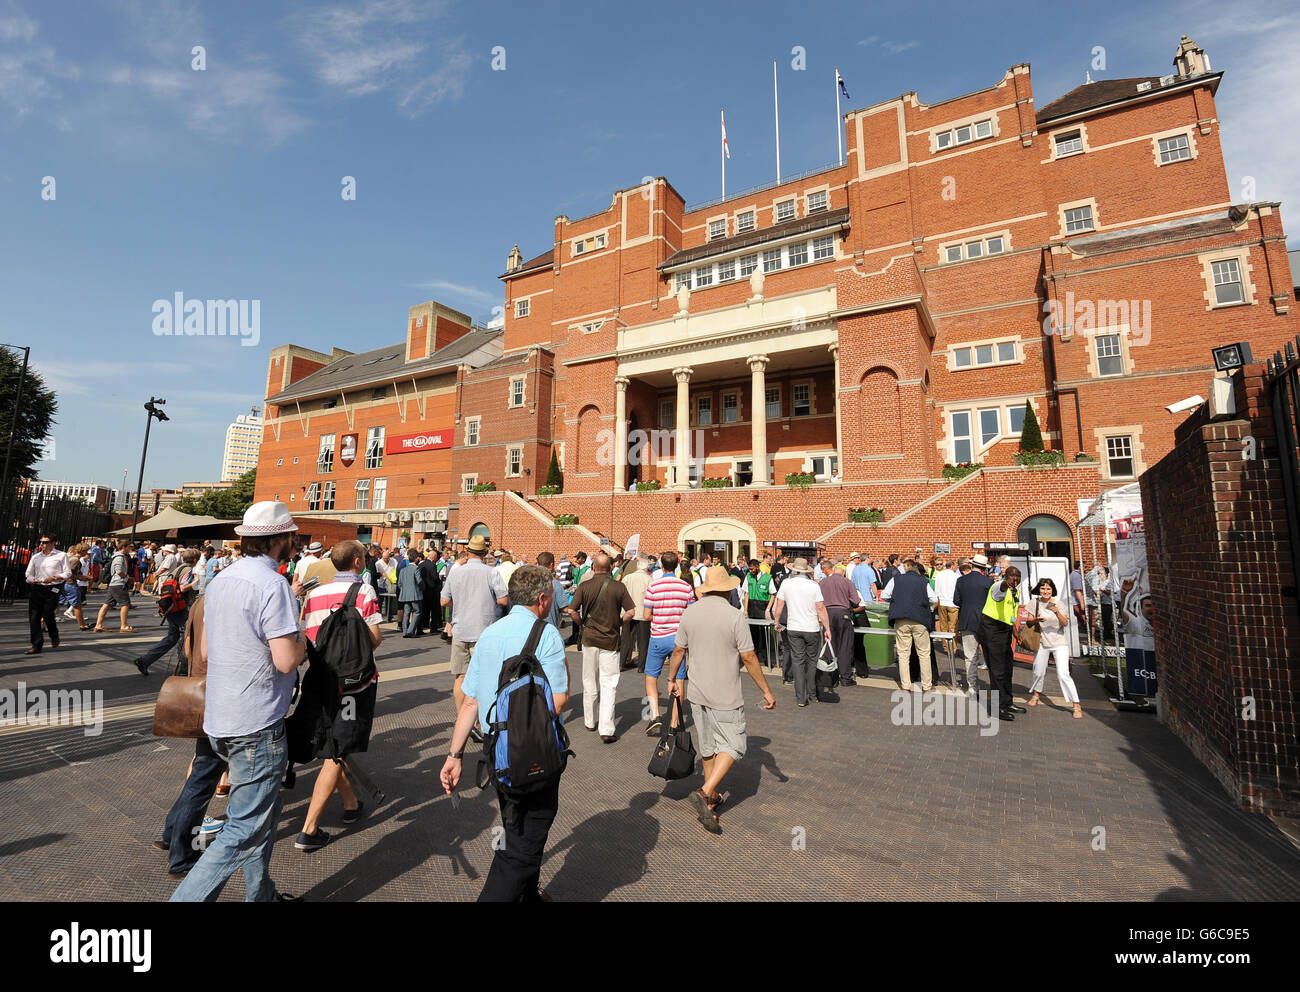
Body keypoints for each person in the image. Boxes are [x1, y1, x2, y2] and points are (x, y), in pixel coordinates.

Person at [171, 501, 307, 902]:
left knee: (263, 815)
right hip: (256, 721)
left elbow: (209, 651)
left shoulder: (221, 581)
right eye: (291, 537)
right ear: (281, 539)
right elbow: (285, 660)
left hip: (220, 716)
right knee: (242, 831)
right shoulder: (274, 585)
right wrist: (300, 639)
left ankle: (261, 894)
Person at [440, 565, 570, 902]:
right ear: (543, 598)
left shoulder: (490, 633)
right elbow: (558, 699)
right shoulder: (548, 634)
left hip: (496, 751)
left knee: (515, 825)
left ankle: (528, 895)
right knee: (524, 842)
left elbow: (470, 701)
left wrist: (454, 755)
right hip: (533, 752)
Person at [666, 565, 777, 834]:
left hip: (697, 689)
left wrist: (671, 679)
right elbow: (749, 656)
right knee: (735, 744)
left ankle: (711, 799)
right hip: (725, 692)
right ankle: (705, 792)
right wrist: (765, 689)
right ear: (728, 590)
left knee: (708, 746)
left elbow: (679, 649)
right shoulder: (734, 616)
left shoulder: (690, 612)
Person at [294, 540, 382, 851]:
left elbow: (307, 636)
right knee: (336, 753)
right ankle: (309, 829)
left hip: (319, 678)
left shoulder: (314, 594)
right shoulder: (364, 592)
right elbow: (374, 639)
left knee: (334, 742)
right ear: (358, 561)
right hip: (352, 683)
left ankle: (350, 803)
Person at [440, 534, 508, 742]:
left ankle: (463, 719)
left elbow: (444, 601)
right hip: (484, 630)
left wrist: (460, 605)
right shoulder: (491, 572)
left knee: (460, 677)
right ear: (485, 553)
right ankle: (478, 721)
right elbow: (503, 600)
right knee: (484, 677)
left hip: (461, 629)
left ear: (467, 551)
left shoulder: (455, 572)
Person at [565, 552, 636, 742]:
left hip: (589, 638)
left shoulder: (584, 586)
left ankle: (590, 721)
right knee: (609, 683)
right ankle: (606, 728)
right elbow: (631, 611)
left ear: (593, 567)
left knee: (589, 681)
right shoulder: (618, 587)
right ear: (611, 567)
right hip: (610, 639)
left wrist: (581, 624)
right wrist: (619, 623)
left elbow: (571, 610)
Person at [641, 551, 696, 734]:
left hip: (658, 636)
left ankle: (655, 714)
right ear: (677, 565)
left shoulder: (653, 587)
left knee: (651, 676)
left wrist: (661, 616)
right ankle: (674, 723)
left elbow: (647, 614)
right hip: (678, 640)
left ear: (661, 565)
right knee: (679, 679)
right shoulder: (686, 587)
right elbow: (691, 612)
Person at [771, 558, 832, 707]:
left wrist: (776, 621)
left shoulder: (786, 583)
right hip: (811, 627)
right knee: (812, 661)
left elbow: (779, 605)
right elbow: (821, 608)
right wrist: (827, 628)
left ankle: (800, 697)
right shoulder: (813, 585)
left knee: (797, 661)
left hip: (794, 627)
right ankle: (812, 694)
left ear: (795, 570)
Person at [133, 549, 199, 676]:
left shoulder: (178, 569)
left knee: (172, 638)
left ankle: (145, 660)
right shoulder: (188, 571)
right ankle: (183, 669)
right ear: (195, 559)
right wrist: (195, 582)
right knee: (186, 637)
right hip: (181, 607)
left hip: (171, 606)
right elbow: (183, 587)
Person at [1024, 578, 1082, 719]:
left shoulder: (1059, 604)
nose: (1045, 591)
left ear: (1052, 590)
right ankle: (1036, 695)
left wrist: (1056, 612)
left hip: (1059, 642)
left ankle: (1076, 704)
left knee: (1063, 674)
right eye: (1043, 588)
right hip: (1042, 641)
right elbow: (1029, 621)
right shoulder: (1034, 602)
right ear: (1039, 590)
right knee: (1038, 671)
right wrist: (1036, 620)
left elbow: (1065, 623)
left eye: (1048, 589)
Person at [882, 559, 941, 693]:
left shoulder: (896, 579)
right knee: (924, 653)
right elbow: (933, 599)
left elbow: (885, 595)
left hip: (901, 618)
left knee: (903, 654)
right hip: (919, 619)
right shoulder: (923, 581)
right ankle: (927, 685)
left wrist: (897, 600)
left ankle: (905, 685)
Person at [977, 565, 1024, 723]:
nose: (1015, 580)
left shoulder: (1014, 591)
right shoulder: (999, 586)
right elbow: (1001, 587)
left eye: (1018, 577)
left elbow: (1011, 615)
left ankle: (1007, 702)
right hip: (992, 630)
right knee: (997, 671)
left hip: (1005, 631)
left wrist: (1015, 633)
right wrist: (1006, 582)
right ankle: (998, 708)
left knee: (1007, 669)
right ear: (1006, 576)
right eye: (1012, 577)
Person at [819, 562, 865, 688]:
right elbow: (856, 601)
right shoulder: (847, 582)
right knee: (845, 646)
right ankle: (845, 677)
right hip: (843, 615)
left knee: (829, 645)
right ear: (844, 573)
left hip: (827, 614)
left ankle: (829, 677)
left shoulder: (823, 582)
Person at [953, 556, 993, 696]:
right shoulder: (989, 581)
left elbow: (956, 601)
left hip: (967, 620)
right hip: (985, 622)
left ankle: (972, 688)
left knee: (970, 656)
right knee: (990, 655)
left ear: (972, 565)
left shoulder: (961, 580)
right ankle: (994, 686)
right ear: (983, 568)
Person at [24, 535, 70, 655]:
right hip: (38, 587)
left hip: (53, 588)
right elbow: (28, 573)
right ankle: (36, 644)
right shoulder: (36, 557)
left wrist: (54, 577)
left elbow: (67, 572)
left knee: (48, 613)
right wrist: (31, 579)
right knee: (34, 616)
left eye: (45, 542)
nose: (42, 544)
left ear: (53, 543)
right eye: (41, 542)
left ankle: (54, 635)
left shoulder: (61, 555)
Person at [619, 554, 654, 672]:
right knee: (643, 641)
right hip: (643, 612)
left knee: (626, 639)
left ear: (637, 567)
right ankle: (641, 666)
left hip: (628, 612)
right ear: (647, 568)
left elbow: (621, 595)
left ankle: (622, 662)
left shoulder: (628, 578)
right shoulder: (650, 579)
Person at [94, 540, 137, 633]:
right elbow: (119, 571)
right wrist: (127, 577)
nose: (130, 549)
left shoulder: (116, 556)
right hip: (119, 583)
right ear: (124, 547)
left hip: (114, 583)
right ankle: (124, 626)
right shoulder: (119, 558)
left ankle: (98, 625)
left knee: (107, 604)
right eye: (129, 547)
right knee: (125, 604)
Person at [741, 557, 775, 669]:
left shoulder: (767, 578)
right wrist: (745, 610)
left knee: (764, 635)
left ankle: (766, 658)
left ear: (757, 567)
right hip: (752, 607)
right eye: (749, 569)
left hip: (763, 606)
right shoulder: (748, 577)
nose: (750, 571)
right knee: (753, 635)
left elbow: (772, 594)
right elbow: (746, 593)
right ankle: (755, 659)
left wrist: (768, 610)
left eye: (752, 569)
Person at [535, 552, 571, 629]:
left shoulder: (530, 581)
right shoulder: (555, 584)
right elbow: (564, 608)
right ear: (551, 565)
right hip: (549, 627)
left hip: (532, 628)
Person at [397, 548, 425, 637]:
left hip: (405, 594)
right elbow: (419, 581)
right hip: (415, 594)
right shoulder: (416, 569)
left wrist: (404, 589)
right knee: (417, 611)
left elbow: (399, 583)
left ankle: (405, 631)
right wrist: (422, 588)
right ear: (416, 559)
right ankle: (410, 630)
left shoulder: (403, 570)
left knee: (407, 612)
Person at [418, 548, 443, 634]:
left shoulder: (421, 564)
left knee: (424, 609)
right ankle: (433, 627)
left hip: (424, 590)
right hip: (432, 590)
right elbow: (435, 577)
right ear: (434, 557)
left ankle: (423, 625)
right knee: (434, 610)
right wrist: (439, 584)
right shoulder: (432, 565)